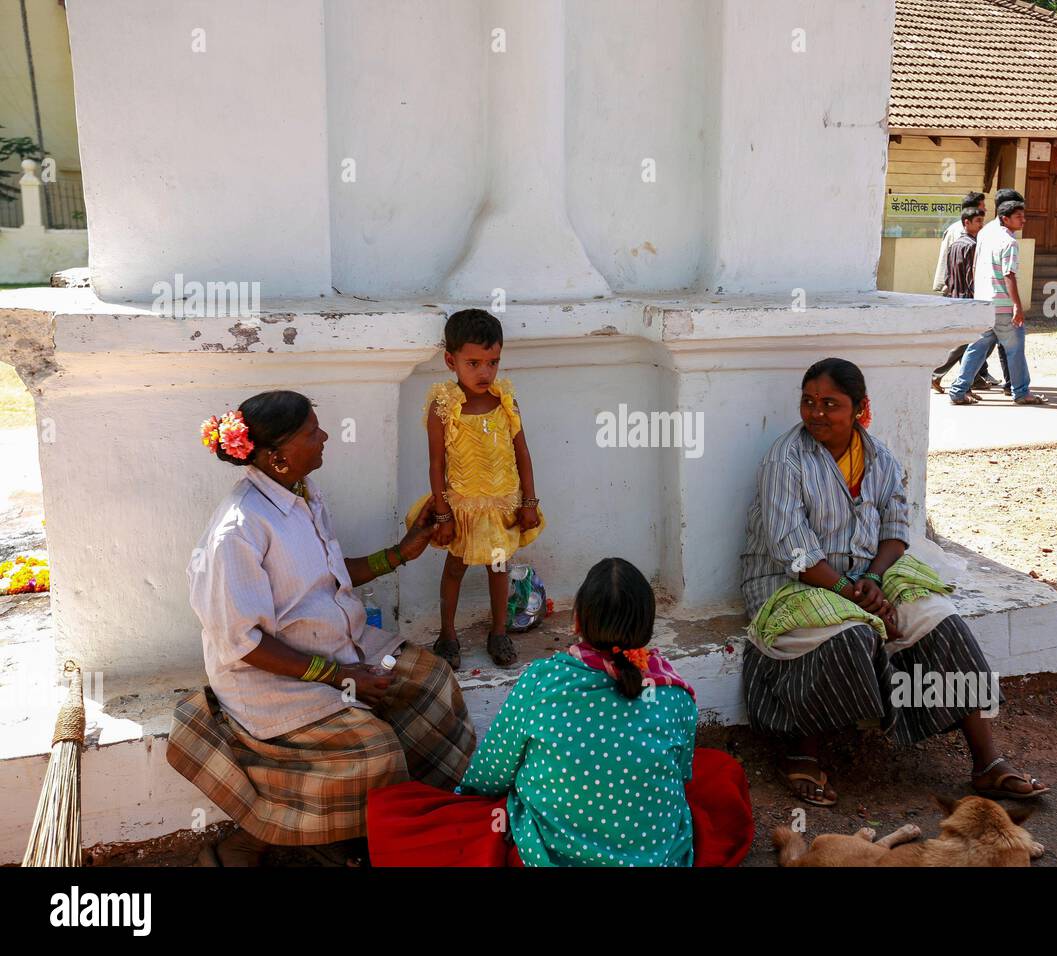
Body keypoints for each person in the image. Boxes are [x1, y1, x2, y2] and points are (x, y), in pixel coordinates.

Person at [167, 390, 476, 867]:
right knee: (374, 750)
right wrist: (342, 678)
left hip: (339, 647)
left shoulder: (302, 493)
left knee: (431, 681)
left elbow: (326, 576)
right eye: (313, 431)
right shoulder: (238, 531)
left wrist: (400, 552)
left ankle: (435, 815)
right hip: (271, 681)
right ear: (278, 456)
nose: (325, 436)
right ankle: (329, 843)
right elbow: (243, 643)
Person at [741, 358, 1049, 807]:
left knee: (939, 619)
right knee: (847, 633)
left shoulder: (880, 458)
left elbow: (896, 529)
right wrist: (854, 593)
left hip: (867, 574)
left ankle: (986, 760)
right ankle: (803, 752)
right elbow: (796, 552)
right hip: (791, 582)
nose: (816, 413)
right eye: (808, 402)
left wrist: (871, 579)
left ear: (859, 408)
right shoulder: (785, 461)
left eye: (831, 404)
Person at [366, 557, 754, 867]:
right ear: (647, 628)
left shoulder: (542, 681)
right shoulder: (675, 695)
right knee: (720, 772)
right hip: (656, 857)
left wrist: (465, 798)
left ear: (578, 622)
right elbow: (683, 775)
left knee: (401, 816)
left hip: (550, 855)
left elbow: (491, 774)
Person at [407, 308, 545, 668]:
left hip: (502, 505)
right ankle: (447, 635)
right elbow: (436, 464)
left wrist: (529, 501)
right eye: (473, 363)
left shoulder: (505, 401)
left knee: (498, 567)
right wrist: (442, 512)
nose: (485, 372)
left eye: (492, 362)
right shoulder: (443, 407)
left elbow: (522, 453)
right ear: (451, 361)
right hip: (461, 508)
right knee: (455, 567)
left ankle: (498, 631)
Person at [949, 199, 1046, 405]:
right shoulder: (1009, 242)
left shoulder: (986, 236)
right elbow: (1009, 275)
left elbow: (975, 268)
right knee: (1015, 349)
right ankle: (1021, 392)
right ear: (1005, 219)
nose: (1023, 220)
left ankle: (958, 391)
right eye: (1019, 217)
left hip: (985, 302)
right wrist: (1017, 306)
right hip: (1002, 305)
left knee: (976, 348)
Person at [931, 206, 1008, 394]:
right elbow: (972, 277)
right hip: (970, 300)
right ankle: (938, 375)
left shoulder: (956, 243)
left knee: (971, 341)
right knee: (971, 342)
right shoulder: (972, 246)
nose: (981, 225)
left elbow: (949, 275)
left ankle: (969, 381)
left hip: (957, 297)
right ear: (966, 222)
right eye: (978, 222)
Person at [933, 190, 986, 292]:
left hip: (954, 288)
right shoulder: (962, 231)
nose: (985, 209)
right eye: (983, 206)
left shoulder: (958, 227)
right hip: (961, 290)